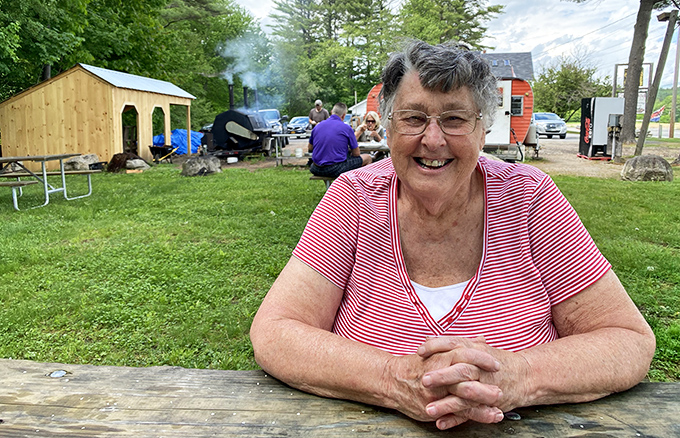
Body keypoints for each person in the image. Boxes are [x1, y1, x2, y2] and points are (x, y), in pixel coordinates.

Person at [250, 40, 655, 431]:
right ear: (387, 128)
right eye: (413, 118)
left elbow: (628, 340)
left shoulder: (529, 197)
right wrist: (393, 378)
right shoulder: (353, 198)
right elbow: (276, 331)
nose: (433, 139)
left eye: (455, 119)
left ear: (483, 131)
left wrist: (517, 377)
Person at [307, 102, 372, 179]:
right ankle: (361, 186)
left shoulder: (317, 126)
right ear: (344, 115)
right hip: (336, 168)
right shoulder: (346, 128)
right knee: (367, 158)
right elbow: (356, 153)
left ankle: (330, 187)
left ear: (331, 112)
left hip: (316, 168)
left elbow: (310, 147)